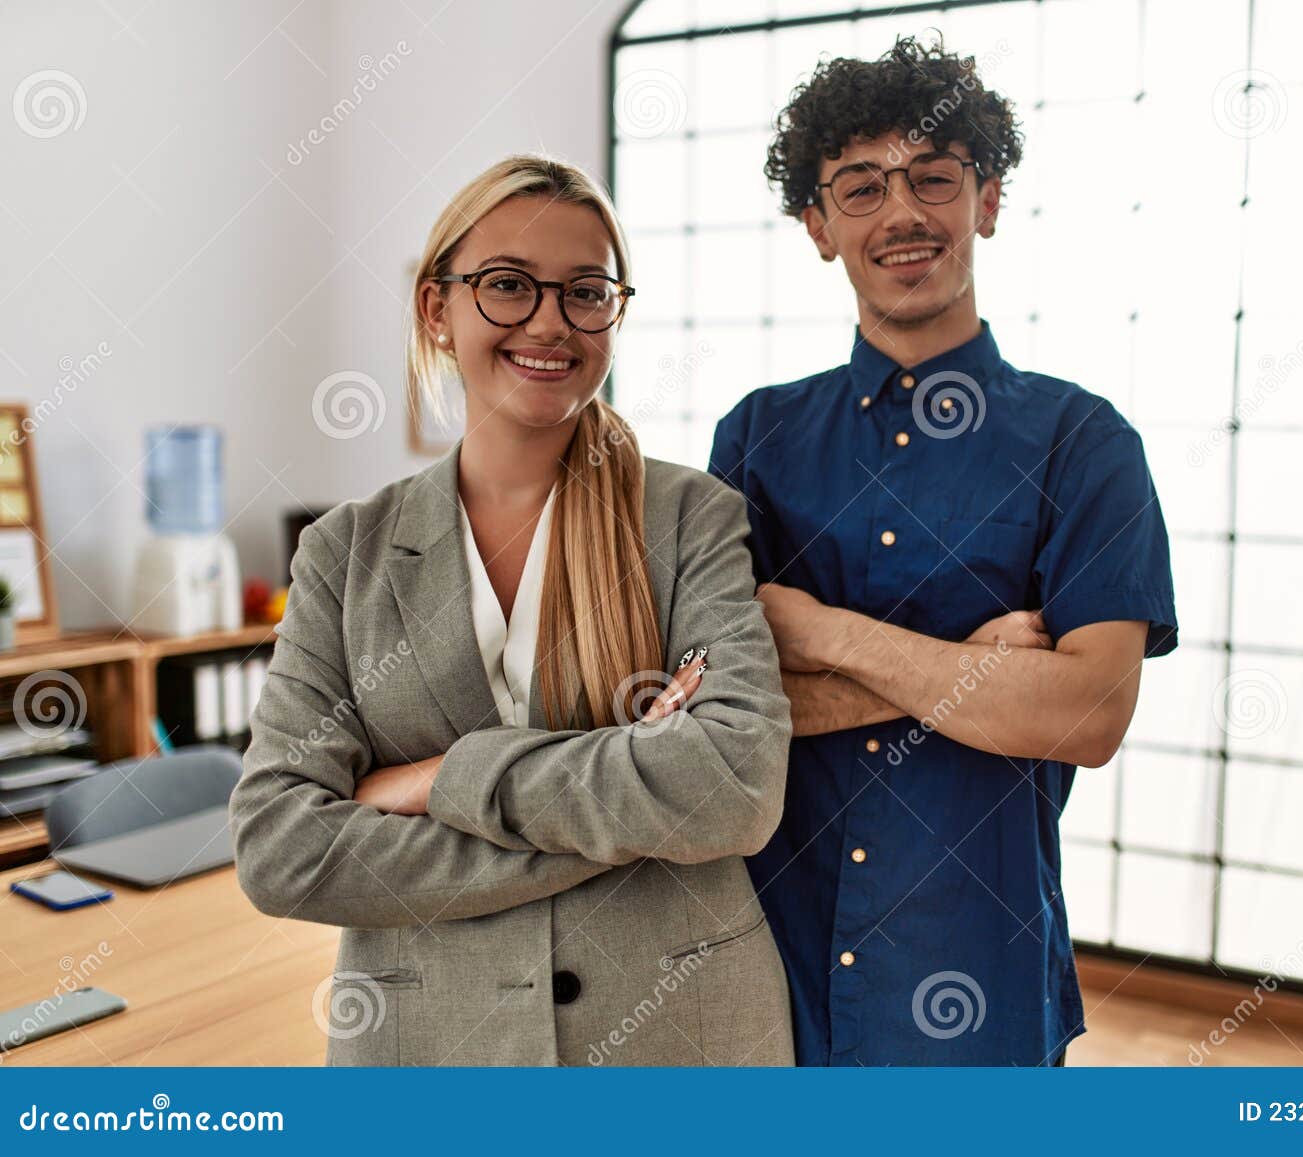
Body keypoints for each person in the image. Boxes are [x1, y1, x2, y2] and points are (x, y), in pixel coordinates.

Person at [230, 154, 794, 1067]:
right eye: (506, 286)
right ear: (435, 310)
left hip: (679, 1037)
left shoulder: (691, 518)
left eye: (586, 291)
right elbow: (282, 849)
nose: (550, 322)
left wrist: (443, 777)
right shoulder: (344, 553)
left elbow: (732, 789)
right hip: (431, 1043)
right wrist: (635, 812)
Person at [709, 35, 1180, 1066]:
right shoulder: (755, 439)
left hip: (975, 969)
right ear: (817, 224)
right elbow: (717, 714)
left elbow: (1088, 713)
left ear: (988, 200)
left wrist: (820, 631)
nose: (904, 212)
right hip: (769, 962)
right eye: (861, 187)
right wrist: (976, 672)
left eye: (934, 176)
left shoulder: (1083, 443)